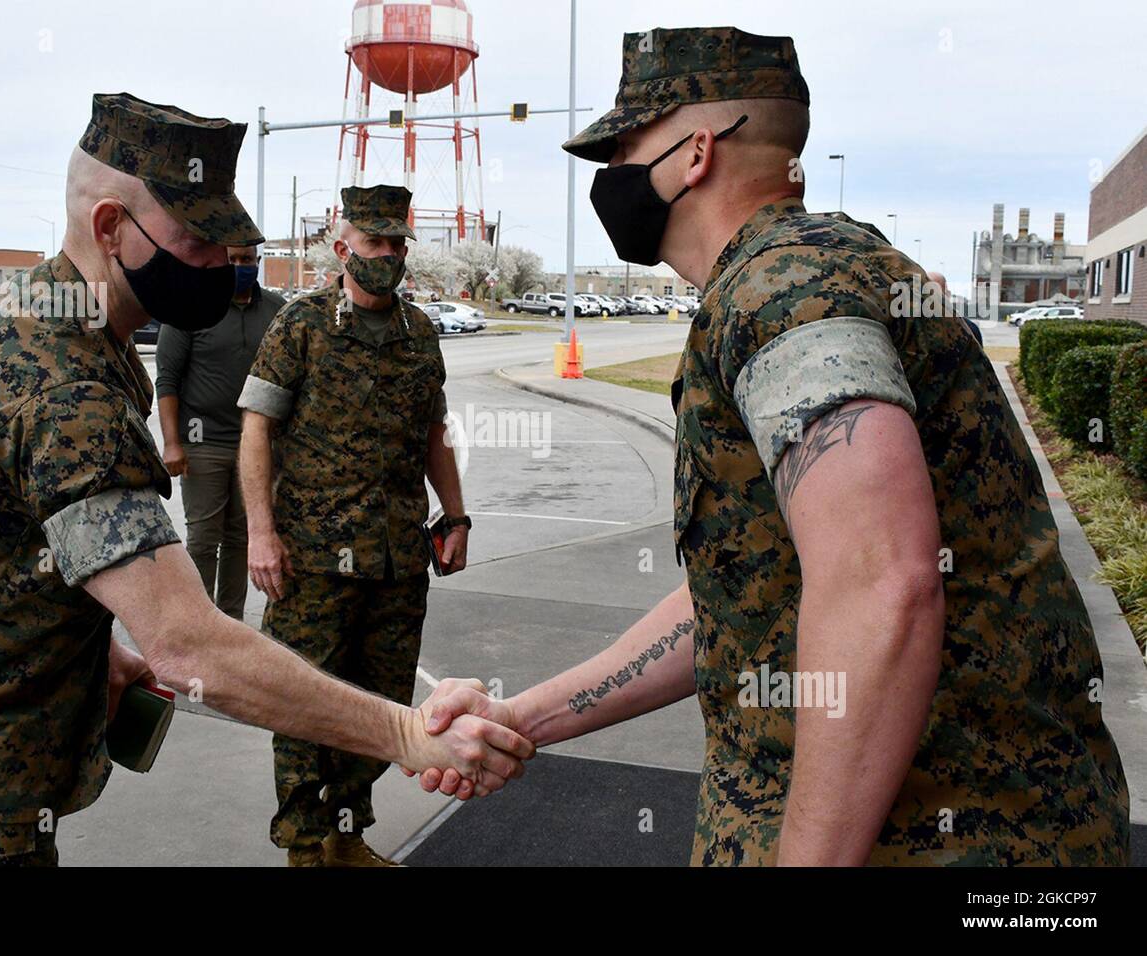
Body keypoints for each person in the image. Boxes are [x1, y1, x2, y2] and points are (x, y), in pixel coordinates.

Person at [411, 26, 1130, 866]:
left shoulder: (783, 288)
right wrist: (522, 718)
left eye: (624, 147)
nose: (610, 179)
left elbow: (881, 582)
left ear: (694, 153)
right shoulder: (812, 272)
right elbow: (754, 591)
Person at [0, 93, 528, 867]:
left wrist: (91, 642)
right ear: (111, 228)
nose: (221, 263)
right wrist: (407, 733)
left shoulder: (33, 312)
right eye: (198, 242)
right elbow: (187, 644)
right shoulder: (64, 392)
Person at [237, 184, 471, 867]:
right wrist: (260, 533)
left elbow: (435, 432)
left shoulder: (418, 332)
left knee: (382, 703)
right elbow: (257, 428)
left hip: (397, 559)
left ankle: (346, 835)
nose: (390, 255)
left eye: (399, 244)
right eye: (377, 243)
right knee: (305, 703)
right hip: (311, 559)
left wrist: (454, 516)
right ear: (342, 248)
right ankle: (306, 848)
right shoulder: (302, 325)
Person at [156, 243, 282, 619]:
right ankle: (197, 621)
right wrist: (172, 443)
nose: (239, 266)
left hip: (256, 448)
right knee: (203, 539)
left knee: (241, 539)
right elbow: (167, 381)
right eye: (231, 259)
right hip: (202, 443)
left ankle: (230, 621)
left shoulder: (277, 311)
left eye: (247, 259)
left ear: (258, 262)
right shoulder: (190, 306)